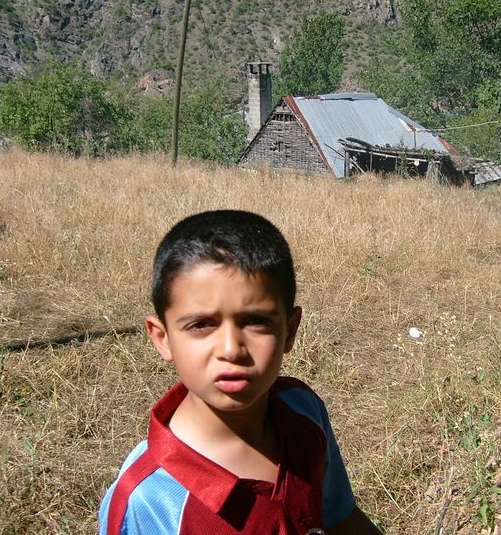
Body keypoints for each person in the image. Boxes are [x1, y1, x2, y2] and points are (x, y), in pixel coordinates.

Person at [99, 210, 382, 535]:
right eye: (201, 325)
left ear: (289, 331)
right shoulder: (147, 499)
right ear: (163, 339)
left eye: (257, 321)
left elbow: (340, 519)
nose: (231, 349)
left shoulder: (304, 410)